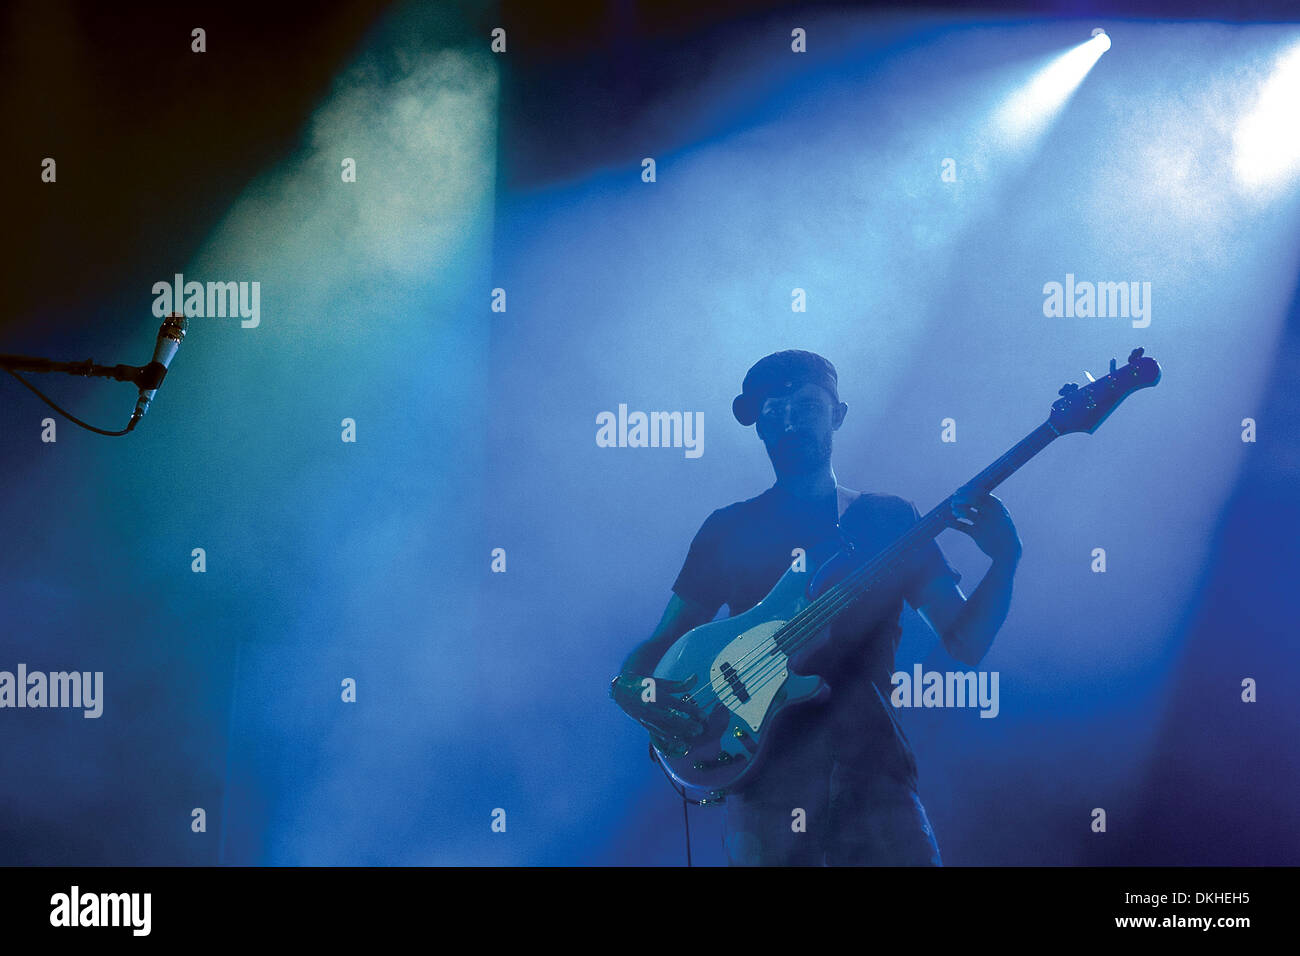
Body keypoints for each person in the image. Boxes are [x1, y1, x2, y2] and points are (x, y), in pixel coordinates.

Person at [610, 349, 1022, 865]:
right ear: (759, 429)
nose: (788, 421)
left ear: (838, 415)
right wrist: (629, 685)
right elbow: (661, 642)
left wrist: (1005, 562)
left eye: (805, 406)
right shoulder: (727, 529)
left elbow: (965, 642)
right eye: (771, 412)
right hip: (761, 785)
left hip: (876, 778)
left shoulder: (889, 518)